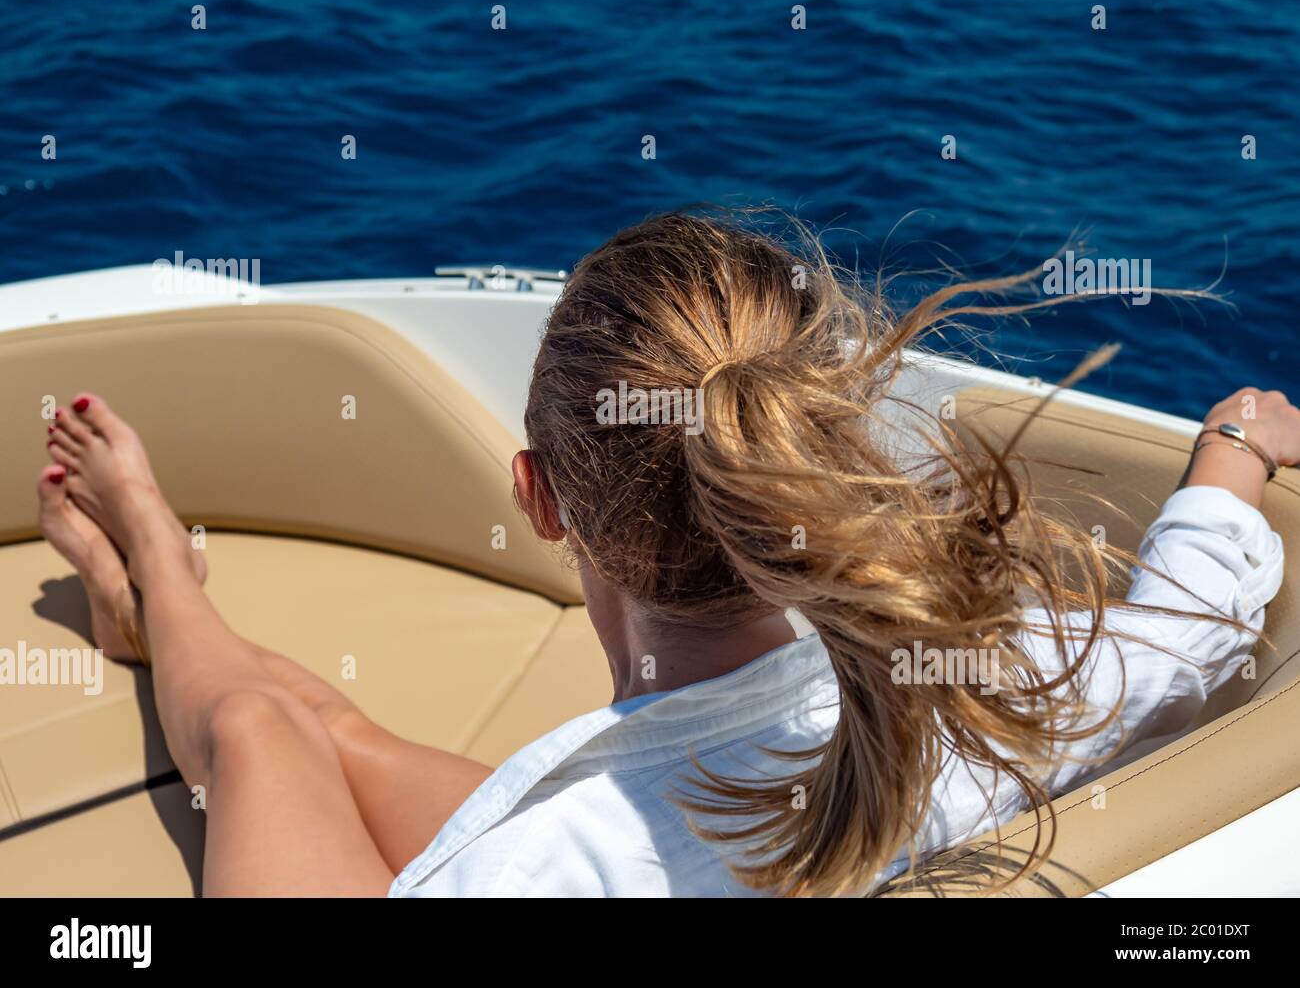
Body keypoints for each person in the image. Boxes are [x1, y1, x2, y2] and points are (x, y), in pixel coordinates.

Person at [39, 211, 1294, 897]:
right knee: (338, 742)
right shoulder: (1005, 691)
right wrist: (1232, 452)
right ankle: (164, 596)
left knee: (263, 734)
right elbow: (1187, 629)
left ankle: (157, 571)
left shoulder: (528, 869)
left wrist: (1228, 449)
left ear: (539, 499)